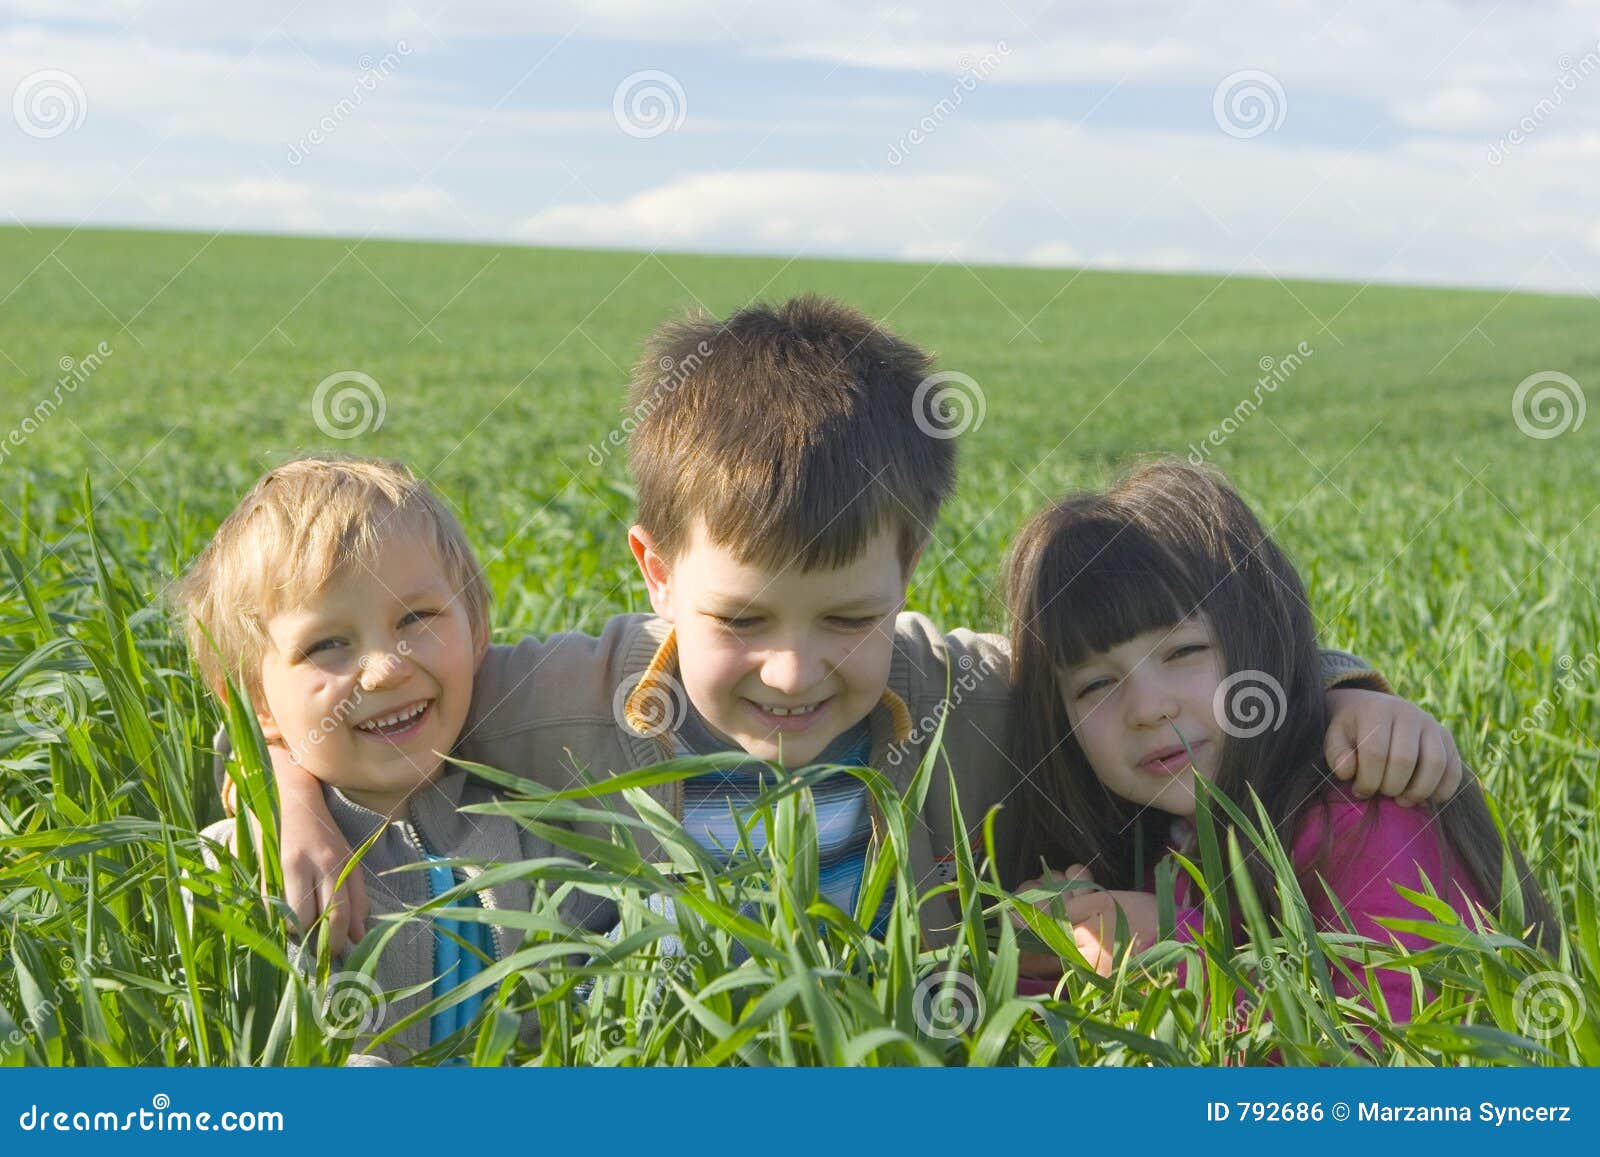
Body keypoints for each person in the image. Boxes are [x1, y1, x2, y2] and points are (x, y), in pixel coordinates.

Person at [254, 297, 1468, 956]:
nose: (793, 669)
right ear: (656, 573)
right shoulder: (565, 696)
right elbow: (352, 697)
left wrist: (1349, 690)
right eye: (741, 618)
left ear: (909, 572)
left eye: (847, 616)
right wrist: (288, 787)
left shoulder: (964, 693)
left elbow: (1150, 672)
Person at [1003, 459, 1557, 1018]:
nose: (1147, 709)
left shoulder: (1363, 822)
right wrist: (1039, 951)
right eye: (1096, 684)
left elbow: (1387, 1073)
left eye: (1183, 651)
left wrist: (1167, 957)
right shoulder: (1169, 845)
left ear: (1264, 639)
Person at [176, 454, 606, 1062]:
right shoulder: (247, 865)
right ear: (257, 703)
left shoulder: (540, 822)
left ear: (476, 627)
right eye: (327, 645)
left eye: (417, 618)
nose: (386, 669)